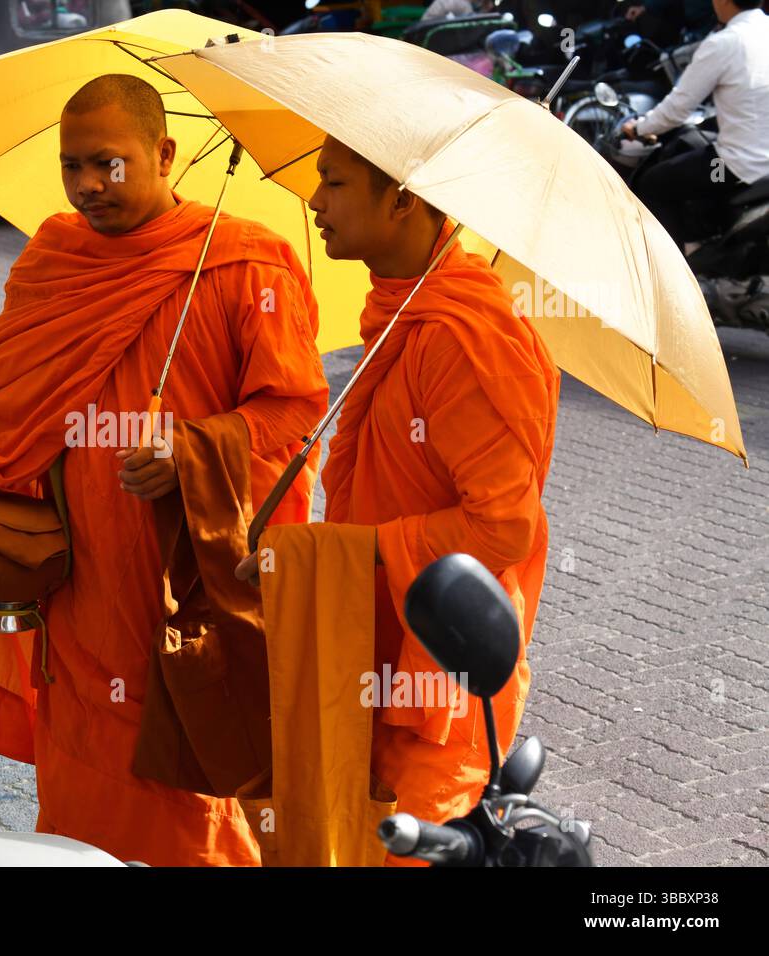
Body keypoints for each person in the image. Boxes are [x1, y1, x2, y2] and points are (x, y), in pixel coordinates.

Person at [0, 74, 328, 866]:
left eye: (108, 164)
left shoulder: (243, 265)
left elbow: (295, 415)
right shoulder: (53, 260)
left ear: (164, 154)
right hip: (78, 591)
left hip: (182, 593)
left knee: (191, 795)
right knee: (83, 791)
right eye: (72, 167)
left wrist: (195, 446)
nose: (88, 186)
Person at [238, 137, 560, 866]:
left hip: (441, 667)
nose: (315, 202)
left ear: (404, 198)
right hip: (374, 643)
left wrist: (338, 552)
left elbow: (503, 525)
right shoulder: (404, 310)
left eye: (335, 182)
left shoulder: (460, 335)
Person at [624, 0, 769, 243]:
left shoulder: (724, 42)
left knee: (653, 184)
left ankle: (672, 276)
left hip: (737, 168)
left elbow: (677, 109)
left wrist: (638, 128)